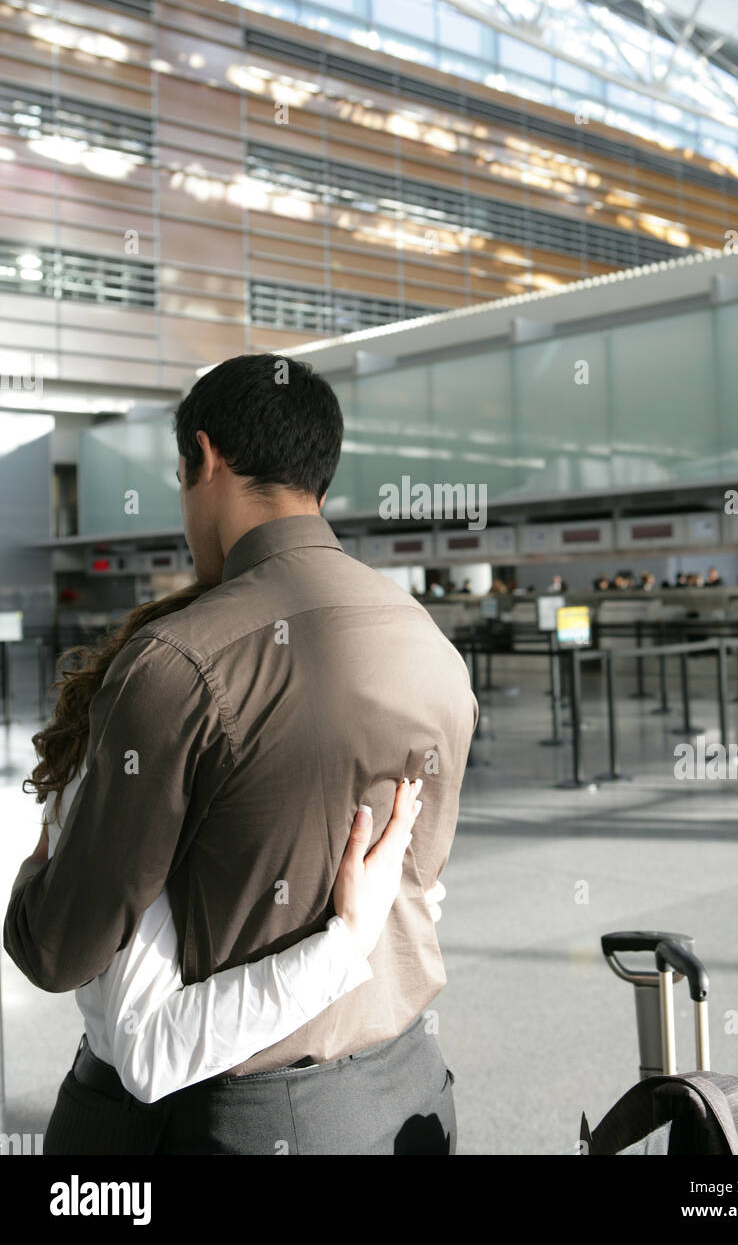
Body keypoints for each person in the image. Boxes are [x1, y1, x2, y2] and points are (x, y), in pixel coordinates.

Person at [5, 353, 478, 1155]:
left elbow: (61, 949)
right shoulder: (430, 646)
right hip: (406, 1094)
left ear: (206, 459)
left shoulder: (179, 660)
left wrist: (37, 873)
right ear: (318, 479)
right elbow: (416, 885)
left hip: (217, 1120)